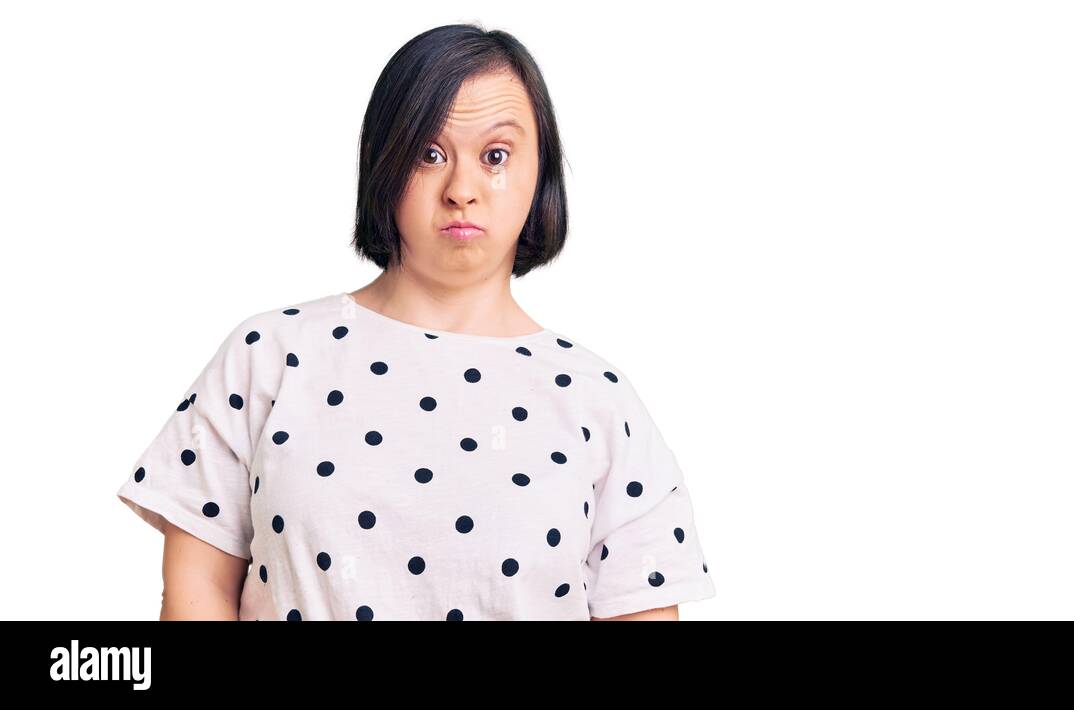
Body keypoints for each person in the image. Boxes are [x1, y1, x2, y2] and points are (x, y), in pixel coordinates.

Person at [115, 24, 716, 621]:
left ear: (542, 176)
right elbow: (197, 594)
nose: (462, 189)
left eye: (496, 156)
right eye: (429, 154)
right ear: (384, 165)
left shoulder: (600, 404)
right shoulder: (268, 356)